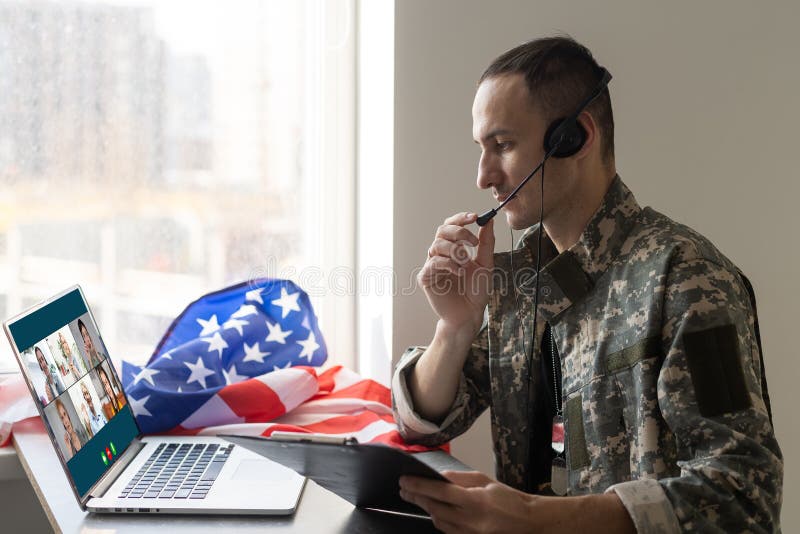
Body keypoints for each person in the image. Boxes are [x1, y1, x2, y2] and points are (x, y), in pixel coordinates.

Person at [392, 36, 782, 532]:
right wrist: (455, 326)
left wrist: (534, 517)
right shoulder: (525, 282)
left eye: (503, 145)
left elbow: (743, 495)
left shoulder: (687, 278)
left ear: (574, 137)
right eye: (481, 148)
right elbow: (423, 423)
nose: (483, 175)